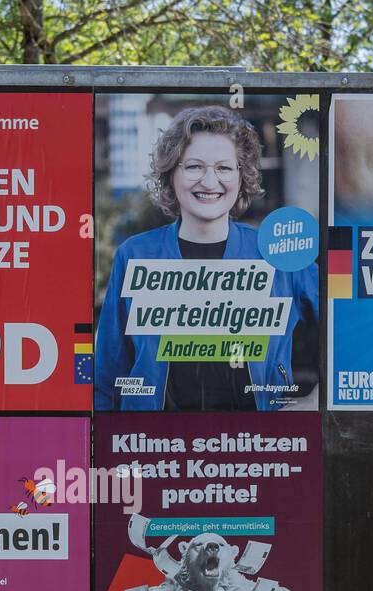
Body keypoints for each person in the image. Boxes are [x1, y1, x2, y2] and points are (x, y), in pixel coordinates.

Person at [94, 105, 319, 412]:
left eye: (224, 168)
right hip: (152, 448)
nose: (210, 182)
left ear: (242, 176)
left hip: (262, 449)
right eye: (194, 167)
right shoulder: (134, 255)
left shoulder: (278, 253)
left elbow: (353, 325)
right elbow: (107, 375)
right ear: (171, 173)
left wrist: (317, 400)